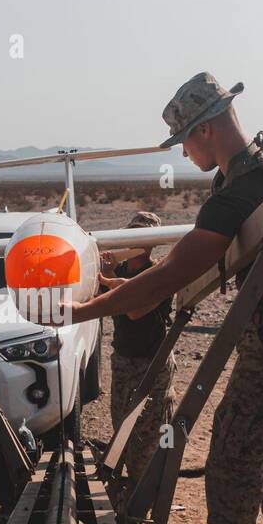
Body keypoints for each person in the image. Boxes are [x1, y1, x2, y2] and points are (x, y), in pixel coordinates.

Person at [55, 72, 263, 524]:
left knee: (233, 450)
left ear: (204, 129)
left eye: (183, 140)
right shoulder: (261, 161)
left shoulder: (244, 188)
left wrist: (81, 312)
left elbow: (167, 278)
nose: (182, 153)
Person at [99, 210, 175, 504]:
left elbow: (134, 308)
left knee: (148, 433)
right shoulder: (119, 271)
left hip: (152, 364)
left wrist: (109, 280)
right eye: (135, 234)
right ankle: (124, 490)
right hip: (124, 360)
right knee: (122, 428)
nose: (139, 243)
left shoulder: (159, 273)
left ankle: (145, 497)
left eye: (145, 237)